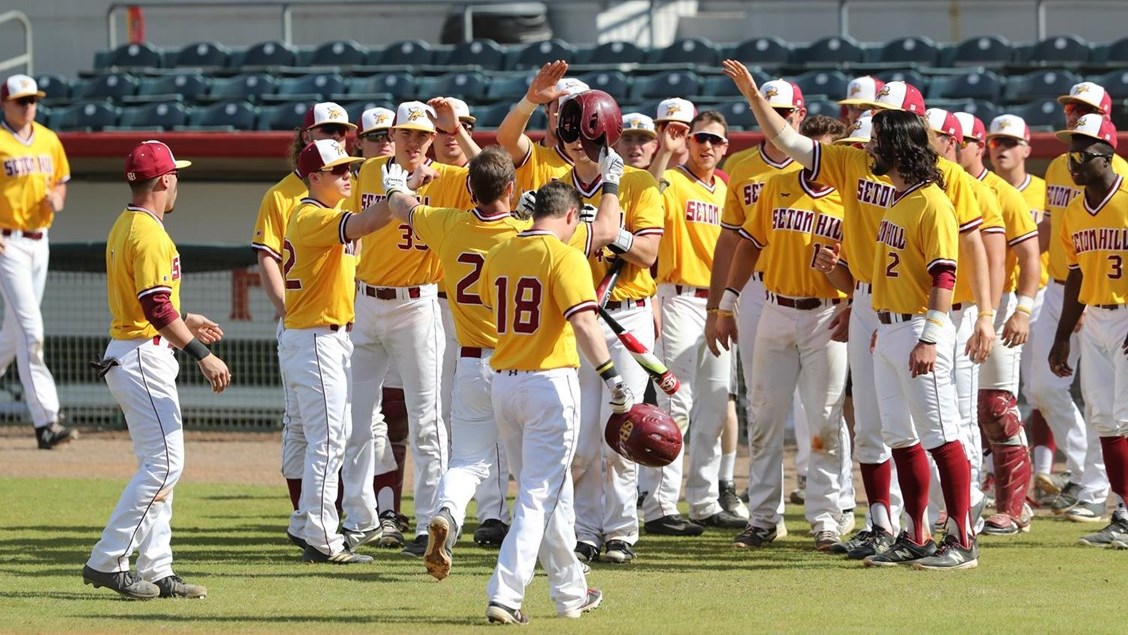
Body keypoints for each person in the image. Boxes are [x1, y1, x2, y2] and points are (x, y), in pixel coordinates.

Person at [722, 61, 993, 562]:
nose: (867, 133)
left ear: (906, 128)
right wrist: (852, 294)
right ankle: (901, 532)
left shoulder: (937, 191)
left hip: (918, 317)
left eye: (881, 121)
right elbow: (791, 144)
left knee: (939, 430)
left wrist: (972, 320)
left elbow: (948, 270)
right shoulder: (884, 185)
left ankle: (960, 536)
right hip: (877, 305)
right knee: (884, 428)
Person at [83, 140, 230, 599]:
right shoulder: (148, 233)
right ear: (165, 180)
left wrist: (186, 322)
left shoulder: (128, 224)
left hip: (137, 350)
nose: (176, 182)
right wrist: (201, 354)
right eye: (175, 175)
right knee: (165, 465)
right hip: (141, 355)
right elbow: (154, 305)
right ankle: (108, 561)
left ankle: (158, 568)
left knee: (160, 465)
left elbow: (153, 306)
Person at [480, 180, 629, 624]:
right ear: (570, 216)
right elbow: (584, 322)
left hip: (504, 383)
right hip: (548, 385)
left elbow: (492, 305)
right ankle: (505, 593)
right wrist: (611, 376)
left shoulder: (501, 250)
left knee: (548, 496)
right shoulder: (565, 256)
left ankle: (570, 593)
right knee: (539, 497)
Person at [281, 138, 433, 564]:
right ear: (314, 178)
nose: (348, 175)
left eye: (349, 168)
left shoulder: (323, 213)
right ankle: (322, 536)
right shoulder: (311, 215)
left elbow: (369, 227)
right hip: (314, 338)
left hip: (325, 337)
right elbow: (366, 224)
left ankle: (307, 523)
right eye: (338, 171)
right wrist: (398, 190)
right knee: (327, 441)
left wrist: (407, 188)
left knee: (328, 438)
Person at [714, 115, 851, 550]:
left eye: (823, 149)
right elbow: (749, 243)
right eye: (808, 144)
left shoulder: (851, 198)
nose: (812, 155)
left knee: (825, 418)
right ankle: (763, 518)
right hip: (774, 306)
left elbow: (858, 274)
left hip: (826, 314)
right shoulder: (779, 186)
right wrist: (728, 300)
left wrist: (841, 276)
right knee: (764, 414)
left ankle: (828, 516)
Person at [349, 100, 470, 556]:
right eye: (407, 134)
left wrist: (456, 131)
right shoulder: (366, 171)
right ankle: (359, 520)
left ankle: (428, 524)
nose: (415, 142)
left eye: (424, 135)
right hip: (365, 299)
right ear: (393, 136)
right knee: (356, 419)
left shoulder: (453, 179)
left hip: (417, 303)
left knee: (427, 421)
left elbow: (501, 177)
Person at [555, 92, 664, 565]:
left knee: (621, 429)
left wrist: (606, 231)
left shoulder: (638, 183)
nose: (577, 144)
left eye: (584, 134)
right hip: (579, 315)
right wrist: (602, 230)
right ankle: (584, 529)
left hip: (626, 313)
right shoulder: (558, 186)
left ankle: (622, 530)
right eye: (571, 133)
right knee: (580, 435)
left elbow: (646, 254)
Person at [250, 102, 355, 550]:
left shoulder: (337, 188)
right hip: (308, 327)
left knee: (326, 431)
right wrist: (287, 308)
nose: (335, 135)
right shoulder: (289, 198)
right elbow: (267, 258)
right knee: (316, 432)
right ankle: (316, 526)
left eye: (340, 129)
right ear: (306, 135)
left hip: (326, 327)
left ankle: (307, 520)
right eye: (325, 129)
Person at [640, 109, 745, 536]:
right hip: (678, 295)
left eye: (715, 141)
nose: (707, 146)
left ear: (725, 147)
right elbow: (646, 191)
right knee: (675, 404)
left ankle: (702, 500)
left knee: (716, 407)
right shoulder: (672, 180)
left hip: (719, 303)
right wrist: (665, 152)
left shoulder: (726, 187)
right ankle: (660, 505)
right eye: (699, 138)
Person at [1036, 82, 1121, 522]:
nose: (1072, 114)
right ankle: (1104, 495)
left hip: (1115, 307)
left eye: (1083, 152)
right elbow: (1067, 258)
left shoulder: (1123, 185)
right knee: (1087, 409)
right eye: (1069, 107)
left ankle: (1108, 499)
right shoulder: (1065, 188)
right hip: (1077, 300)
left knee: (1115, 412)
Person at [954, 111, 1041, 535]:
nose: (956, 145)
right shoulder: (941, 187)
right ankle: (959, 500)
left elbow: (1029, 256)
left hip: (999, 303)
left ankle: (1014, 506)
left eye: (966, 140)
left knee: (996, 406)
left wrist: (1022, 309)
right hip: (954, 304)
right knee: (958, 409)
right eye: (987, 140)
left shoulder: (1002, 193)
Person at [1049, 114, 1128, 549]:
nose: (1072, 162)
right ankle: (1123, 512)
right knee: (1105, 419)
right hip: (1095, 319)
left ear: (1106, 155)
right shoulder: (1077, 210)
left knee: (1127, 417)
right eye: (1068, 153)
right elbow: (1076, 276)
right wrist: (1063, 336)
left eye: (1080, 153)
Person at [985, 113, 1058, 506]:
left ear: (1028, 149)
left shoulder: (1044, 192)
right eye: (996, 142)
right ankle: (997, 476)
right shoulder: (986, 190)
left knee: (1040, 389)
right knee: (997, 394)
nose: (1003, 149)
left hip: (1041, 296)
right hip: (1000, 300)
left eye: (1011, 142)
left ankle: (1046, 468)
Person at [0, 74, 72, 449]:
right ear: (5, 103)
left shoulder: (47, 137)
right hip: (7, 243)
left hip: (39, 241)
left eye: (33, 100)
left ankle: (46, 421)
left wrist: (57, 198)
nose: (29, 106)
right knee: (31, 333)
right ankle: (46, 422)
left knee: (12, 338)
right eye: (22, 100)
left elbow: (61, 179)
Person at [496, 60, 589, 196]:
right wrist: (530, 101)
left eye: (575, 110)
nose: (567, 116)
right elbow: (506, 139)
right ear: (546, 109)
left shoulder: (597, 164)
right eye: (561, 106)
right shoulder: (533, 155)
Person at [432, 97, 478, 167]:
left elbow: (487, 169)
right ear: (431, 135)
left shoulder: (482, 175)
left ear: (469, 133)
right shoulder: (422, 175)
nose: (452, 135)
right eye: (443, 129)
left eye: (461, 126)